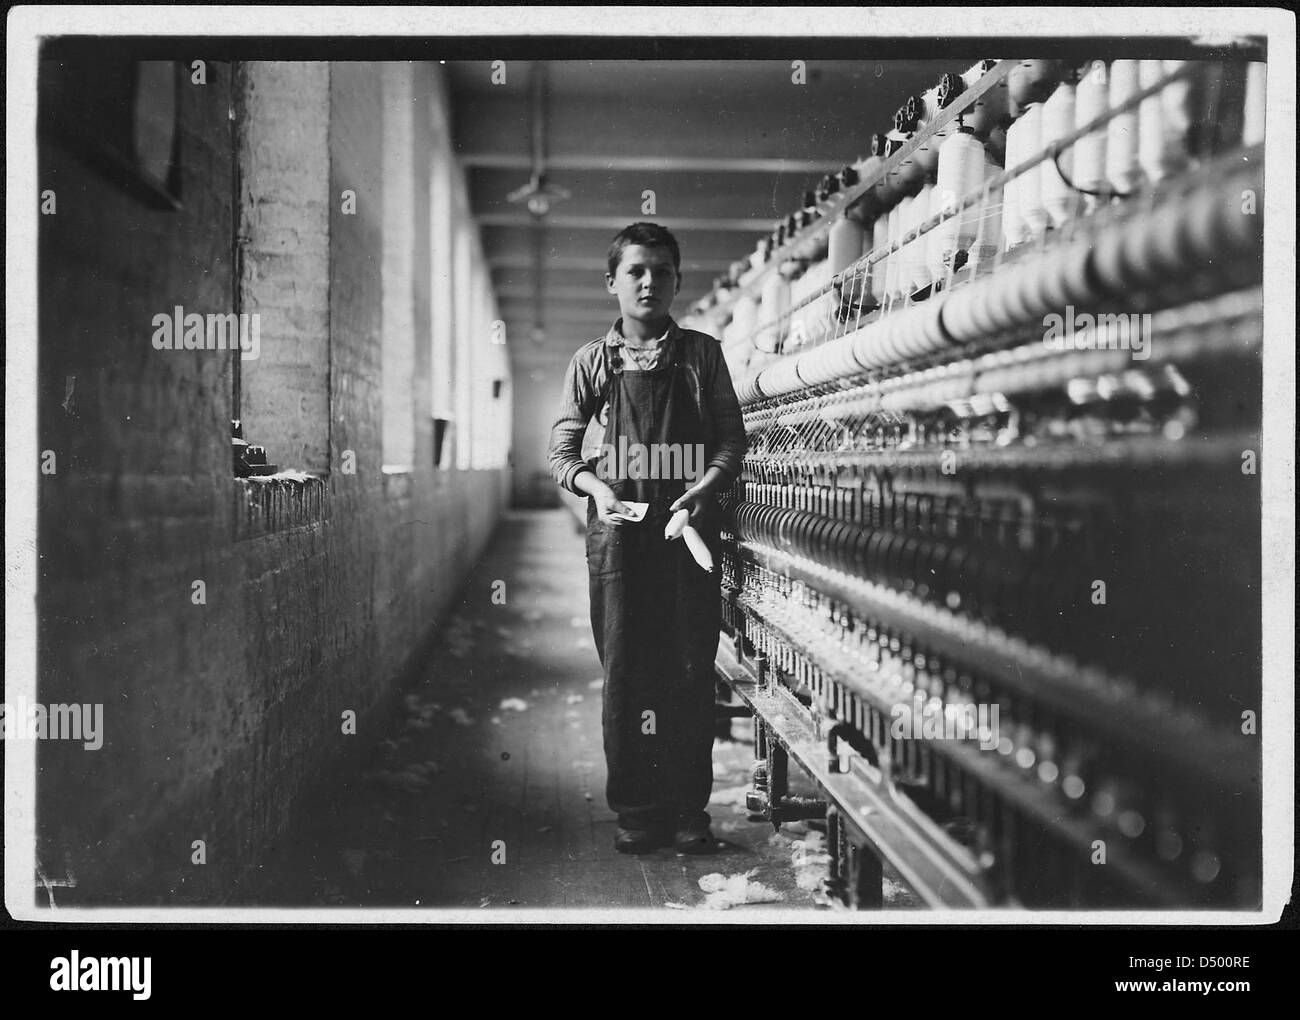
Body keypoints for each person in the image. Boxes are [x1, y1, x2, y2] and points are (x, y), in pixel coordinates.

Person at [548, 223, 747, 854]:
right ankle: (635, 810)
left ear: (677, 282)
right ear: (613, 282)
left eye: (662, 271)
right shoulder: (591, 363)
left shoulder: (701, 356)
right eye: (636, 270)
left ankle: (688, 812)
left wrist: (703, 490)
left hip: (686, 532)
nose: (649, 282)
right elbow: (560, 451)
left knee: (689, 671)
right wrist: (597, 490)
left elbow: (729, 441)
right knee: (629, 672)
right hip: (621, 537)